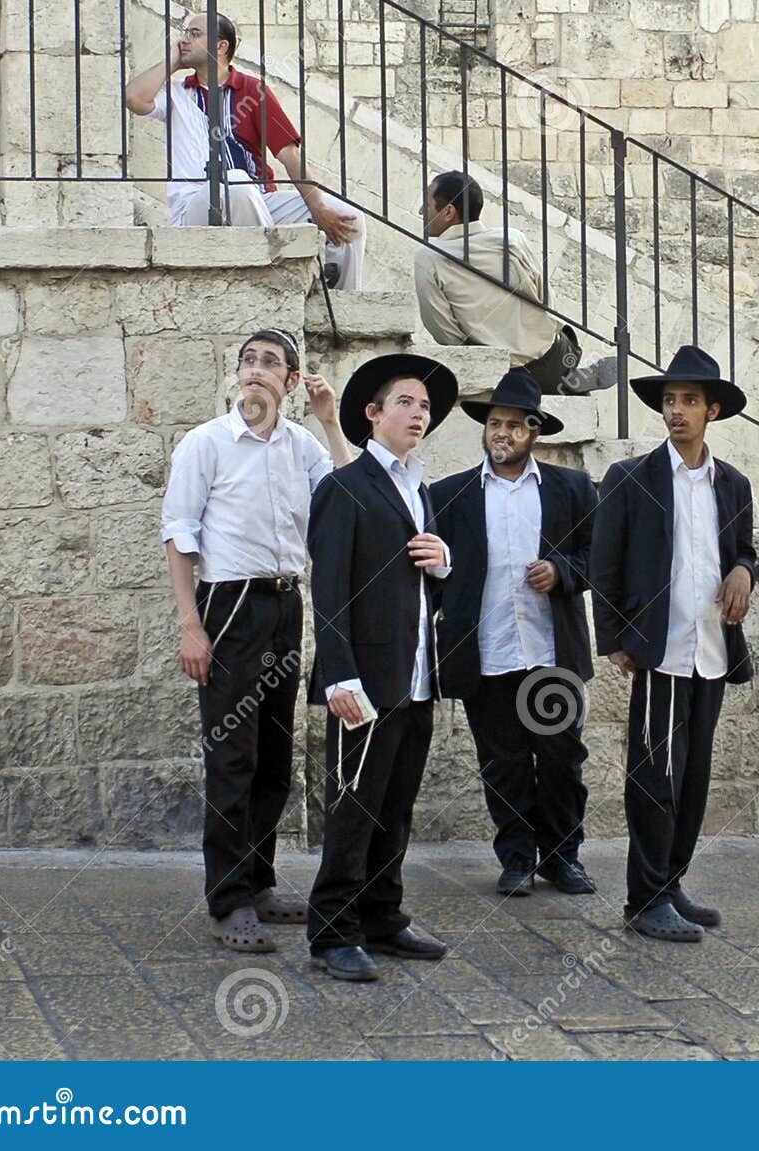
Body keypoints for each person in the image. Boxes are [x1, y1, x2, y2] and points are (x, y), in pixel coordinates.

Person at [160, 328, 352, 953]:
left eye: (271, 363)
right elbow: (179, 533)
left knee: (275, 755)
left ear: (291, 382)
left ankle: (260, 883)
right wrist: (191, 626)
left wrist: (329, 421)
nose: (256, 371)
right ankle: (229, 900)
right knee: (232, 756)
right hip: (229, 603)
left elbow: (353, 497)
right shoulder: (206, 444)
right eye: (248, 361)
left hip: (284, 601)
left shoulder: (301, 446)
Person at [590, 346, 756, 943]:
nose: (676, 411)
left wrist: (744, 571)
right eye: (669, 401)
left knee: (692, 777)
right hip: (658, 649)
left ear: (712, 410)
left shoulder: (732, 484)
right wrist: (613, 639)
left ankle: (671, 881)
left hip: (712, 649)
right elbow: (603, 564)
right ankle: (645, 897)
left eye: (689, 401)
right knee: (654, 773)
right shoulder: (631, 479)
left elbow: (743, 550)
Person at [305, 352, 459, 982]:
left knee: (396, 804)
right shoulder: (343, 488)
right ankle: (333, 930)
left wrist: (444, 563)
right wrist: (339, 676)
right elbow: (330, 590)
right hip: (364, 683)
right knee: (355, 806)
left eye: (424, 406)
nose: (418, 413)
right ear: (372, 414)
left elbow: (421, 587)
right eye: (406, 402)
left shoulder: (419, 489)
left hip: (416, 677)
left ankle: (383, 916)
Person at [428, 370, 598, 897]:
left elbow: (600, 558)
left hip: (551, 651)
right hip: (487, 651)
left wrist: (563, 572)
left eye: (514, 425)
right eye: (495, 423)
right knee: (502, 763)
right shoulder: (449, 495)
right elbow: (432, 574)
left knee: (562, 760)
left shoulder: (571, 489)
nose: (502, 432)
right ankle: (518, 857)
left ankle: (563, 857)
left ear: (534, 432)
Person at [124, 12, 366, 289]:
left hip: (258, 202)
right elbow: (133, 98)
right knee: (236, 181)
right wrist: (172, 60)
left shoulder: (253, 91)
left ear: (220, 46)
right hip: (196, 205)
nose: (184, 40)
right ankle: (280, 276)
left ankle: (339, 302)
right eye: (185, 32)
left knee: (351, 218)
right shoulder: (177, 92)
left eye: (194, 33)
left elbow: (290, 156)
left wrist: (319, 207)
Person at [415, 171, 608, 395]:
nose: (421, 211)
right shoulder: (511, 239)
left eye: (426, 205)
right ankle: (566, 379)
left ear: (448, 211)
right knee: (559, 339)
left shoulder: (430, 258)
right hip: (557, 352)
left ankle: (558, 384)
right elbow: (545, 297)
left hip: (510, 373)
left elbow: (445, 334)